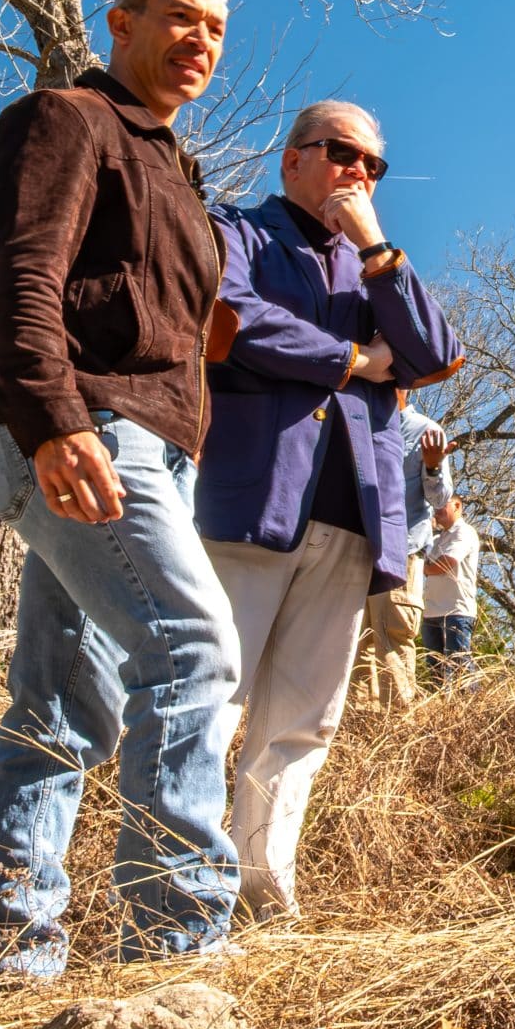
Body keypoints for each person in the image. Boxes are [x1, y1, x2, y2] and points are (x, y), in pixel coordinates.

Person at [0, 0, 242, 976]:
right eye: (177, 18)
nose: (198, 40)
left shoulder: (176, 168)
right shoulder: (66, 119)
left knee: (64, 702)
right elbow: (19, 275)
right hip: (89, 430)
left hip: (149, 442)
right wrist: (53, 421)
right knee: (194, 652)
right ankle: (178, 943)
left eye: (213, 27)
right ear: (120, 23)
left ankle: (3, 948)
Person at [194, 100, 461, 920]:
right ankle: (180, 891)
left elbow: (434, 353)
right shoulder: (234, 228)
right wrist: (350, 359)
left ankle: (263, 893)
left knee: (304, 719)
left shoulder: (376, 264)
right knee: (210, 701)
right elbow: (228, 316)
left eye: (373, 163)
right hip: (253, 498)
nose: (359, 171)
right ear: (292, 159)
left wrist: (376, 245)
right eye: (343, 152)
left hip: (356, 517)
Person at [360, 403, 452, 715]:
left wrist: (433, 466)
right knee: (355, 646)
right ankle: (358, 736)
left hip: (402, 550)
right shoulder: (359, 419)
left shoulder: (426, 430)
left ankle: (398, 737)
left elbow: (440, 500)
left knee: (393, 642)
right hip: (355, 549)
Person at [418, 493, 482, 687]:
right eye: (434, 506)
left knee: (460, 664)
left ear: (456, 505)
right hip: (431, 612)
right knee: (435, 670)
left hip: (456, 610)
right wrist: (425, 530)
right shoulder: (436, 539)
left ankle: (474, 708)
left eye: (441, 505)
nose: (437, 511)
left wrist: (425, 569)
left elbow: (446, 563)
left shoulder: (465, 532)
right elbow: (418, 555)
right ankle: (442, 711)